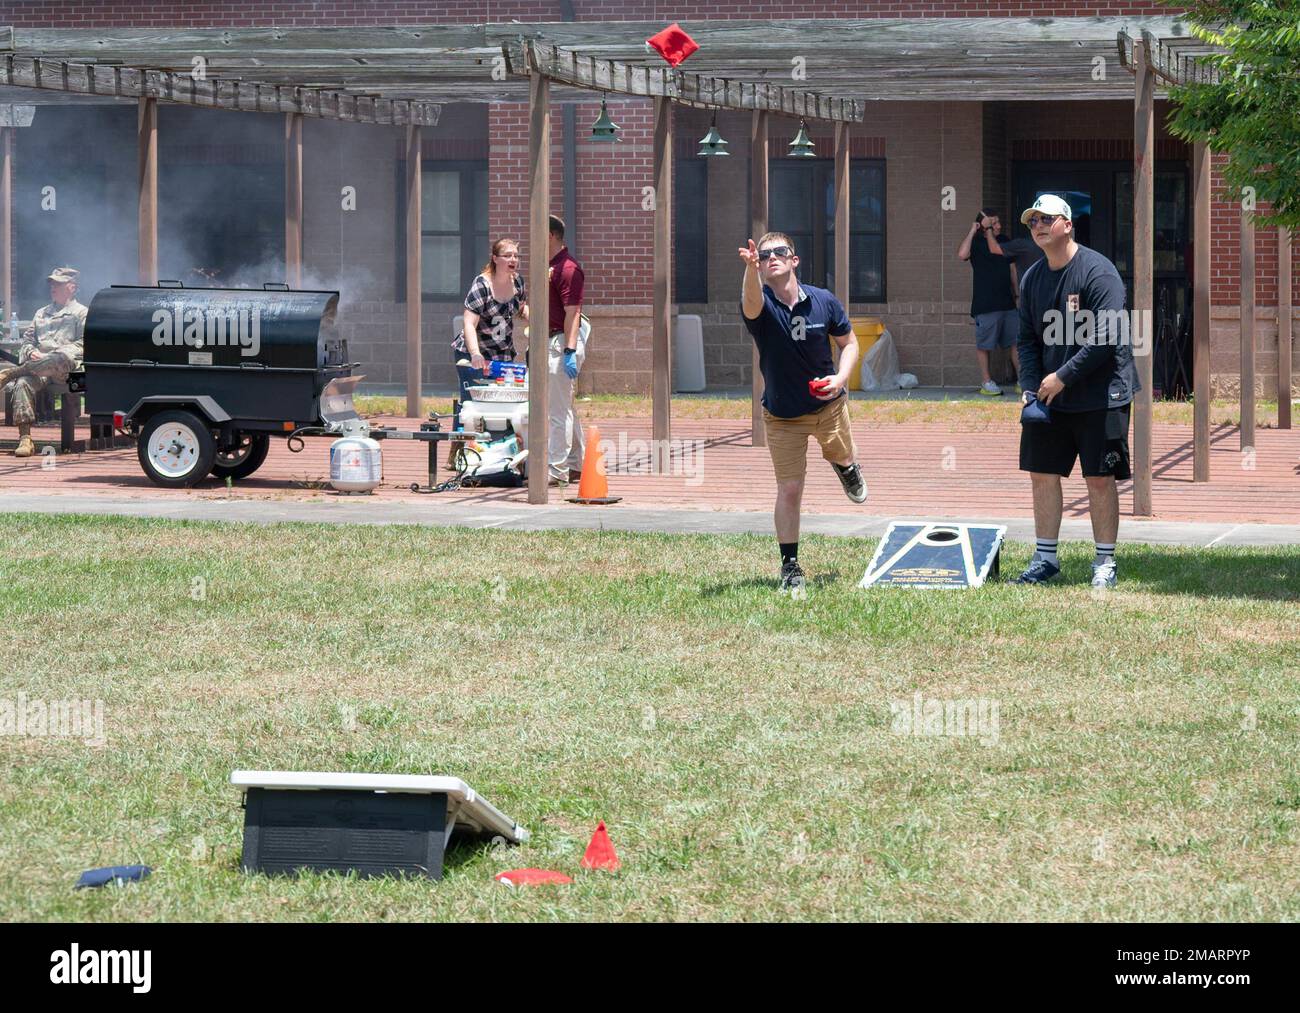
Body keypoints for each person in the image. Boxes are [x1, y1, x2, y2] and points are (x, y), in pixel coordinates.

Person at [1010, 194, 1140, 590]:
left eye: (1047, 219)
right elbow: (1028, 340)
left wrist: (1062, 377)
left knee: (1099, 478)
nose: (1038, 226)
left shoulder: (1098, 273)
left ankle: (1105, 562)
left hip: (1103, 394)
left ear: (1068, 224)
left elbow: (1105, 338)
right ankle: (1045, 559)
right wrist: (1031, 386)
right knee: (1042, 474)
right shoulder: (1033, 277)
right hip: (1051, 395)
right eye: (1032, 221)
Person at [740, 232, 867, 600]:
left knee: (843, 455)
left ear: (794, 260)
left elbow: (850, 343)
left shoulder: (824, 301)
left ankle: (846, 468)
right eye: (764, 256)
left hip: (829, 407)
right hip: (782, 416)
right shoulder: (761, 304)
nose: (771, 258)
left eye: (780, 252)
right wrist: (749, 270)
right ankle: (790, 565)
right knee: (790, 489)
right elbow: (749, 301)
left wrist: (842, 378)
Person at [0, 267, 88, 458]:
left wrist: (54, 354)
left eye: (58, 283)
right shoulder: (41, 313)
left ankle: (12, 373)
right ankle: (25, 439)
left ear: (72, 287)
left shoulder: (81, 313)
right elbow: (28, 341)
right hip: (38, 370)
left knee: (56, 358)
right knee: (23, 383)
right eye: (52, 283)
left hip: (68, 372)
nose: (53, 287)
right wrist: (31, 352)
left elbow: (83, 344)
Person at [453, 238, 528, 425]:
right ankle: (464, 447)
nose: (513, 259)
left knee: (504, 403)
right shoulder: (482, 285)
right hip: (475, 353)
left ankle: (501, 445)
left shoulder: (517, 282)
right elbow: (469, 323)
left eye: (516, 256)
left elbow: (521, 308)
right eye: (507, 255)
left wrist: (539, 322)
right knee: (472, 405)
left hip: (502, 353)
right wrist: (475, 354)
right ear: (495, 258)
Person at [545, 215, 590, 486]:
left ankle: (555, 471)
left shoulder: (568, 268)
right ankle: (575, 465)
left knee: (556, 411)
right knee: (564, 406)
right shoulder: (549, 266)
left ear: (550, 235)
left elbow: (573, 313)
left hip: (562, 342)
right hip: (551, 339)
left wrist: (570, 350)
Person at [957, 210, 1021, 396]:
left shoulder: (1004, 241)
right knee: (985, 345)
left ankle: (1022, 380)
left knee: (1017, 342)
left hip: (1008, 303)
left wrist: (1017, 295)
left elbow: (1012, 270)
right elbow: (962, 255)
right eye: (994, 223)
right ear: (984, 226)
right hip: (985, 304)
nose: (999, 226)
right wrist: (972, 230)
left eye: (998, 222)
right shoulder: (976, 243)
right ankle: (987, 381)